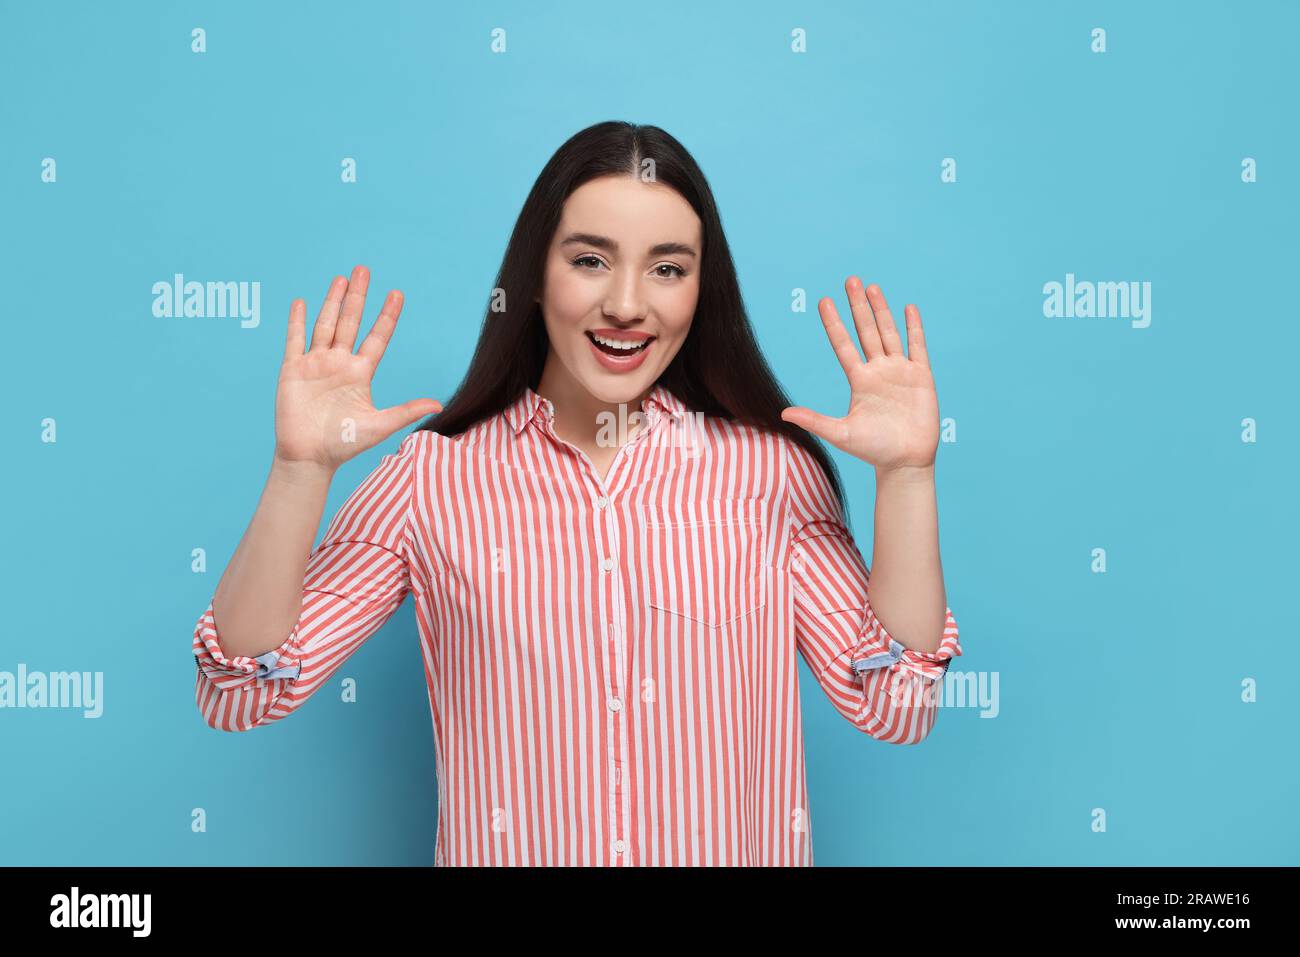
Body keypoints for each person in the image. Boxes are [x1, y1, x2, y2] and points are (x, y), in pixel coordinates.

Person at [192, 121, 963, 866]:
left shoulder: (768, 476)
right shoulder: (431, 480)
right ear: (533, 276)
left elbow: (896, 705)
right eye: (590, 259)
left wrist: (907, 477)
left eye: (668, 268)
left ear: (701, 293)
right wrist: (299, 471)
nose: (627, 304)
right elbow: (237, 693)